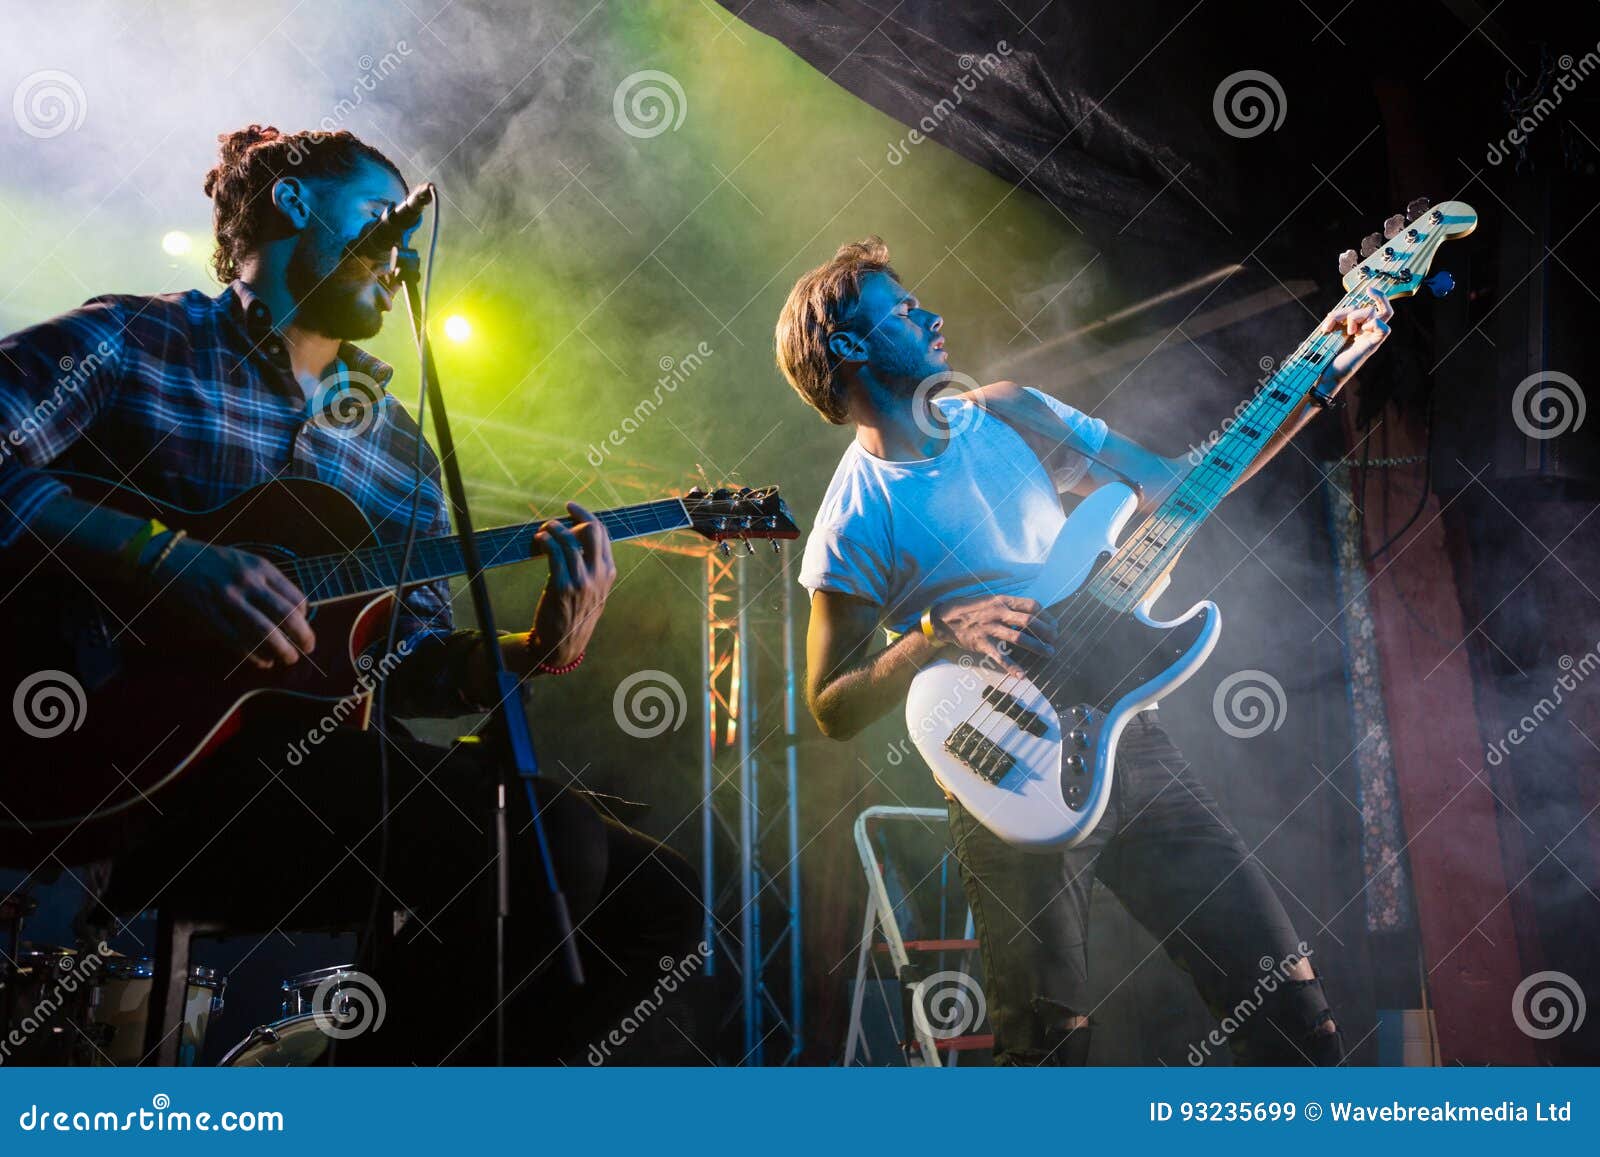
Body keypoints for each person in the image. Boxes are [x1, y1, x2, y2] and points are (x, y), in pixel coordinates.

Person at [0, 125, 702, 1064]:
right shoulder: (140, 338)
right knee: (551, 842)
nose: (403, 248)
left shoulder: (397, 443)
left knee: (667, 905)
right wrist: (159, 557)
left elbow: (405, 668)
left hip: (299, 780)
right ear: (292, 202)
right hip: (109, 756)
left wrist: (535, 649)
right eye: (380, 216)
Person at [778, 237, 1390, 1065]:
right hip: (1012, 778)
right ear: (850, 346)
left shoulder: (1006, 413)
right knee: (1049, 1063)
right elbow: (830, 703)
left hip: (1133, 744)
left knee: (1294, 1021)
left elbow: (1182, 483)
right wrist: (931, 632)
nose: (931, 315)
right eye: (901, 309)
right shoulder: (853, 520)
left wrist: (1326, 371)